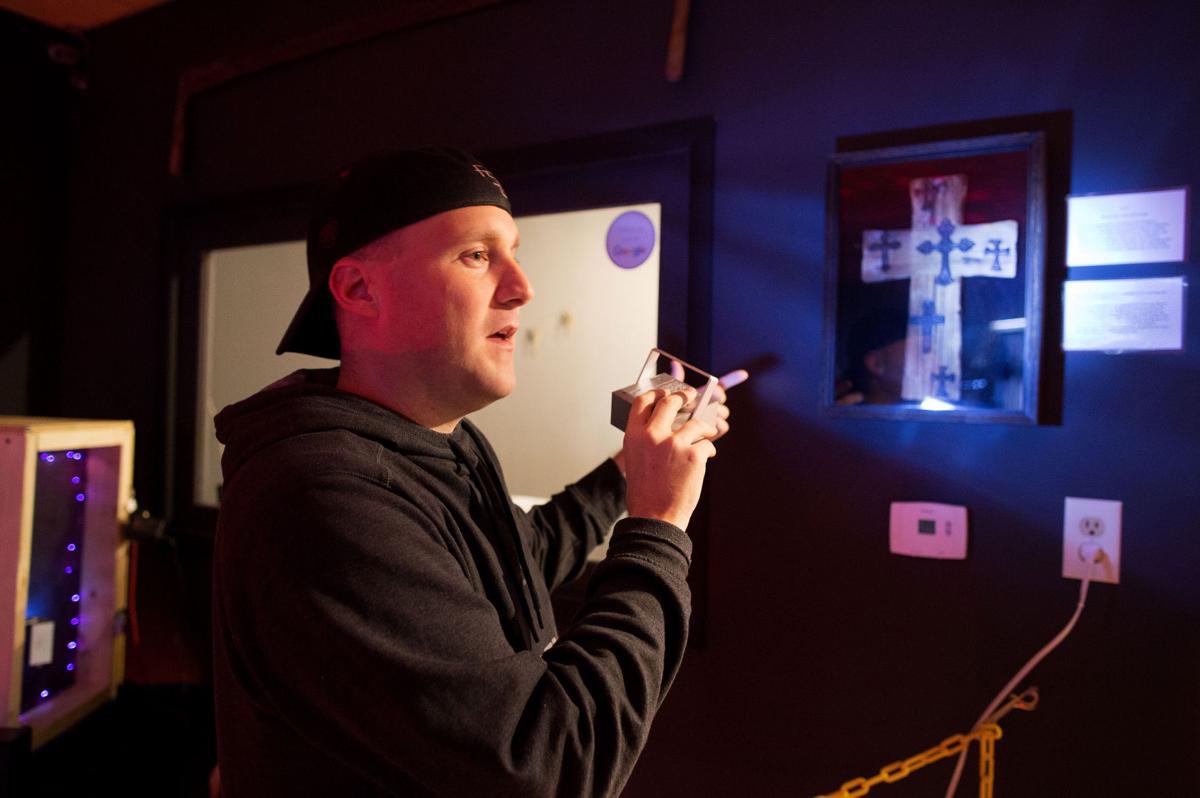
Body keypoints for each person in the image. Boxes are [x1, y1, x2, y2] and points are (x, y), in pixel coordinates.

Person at [210, 148, 732, 797]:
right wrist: (657, 524)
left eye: (513, 252)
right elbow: (554, 766)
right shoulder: (322, 496)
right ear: (359, 289)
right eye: (476, 255)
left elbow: (519, 560)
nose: (522, 287)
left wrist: (632, 468)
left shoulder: (444, 441)